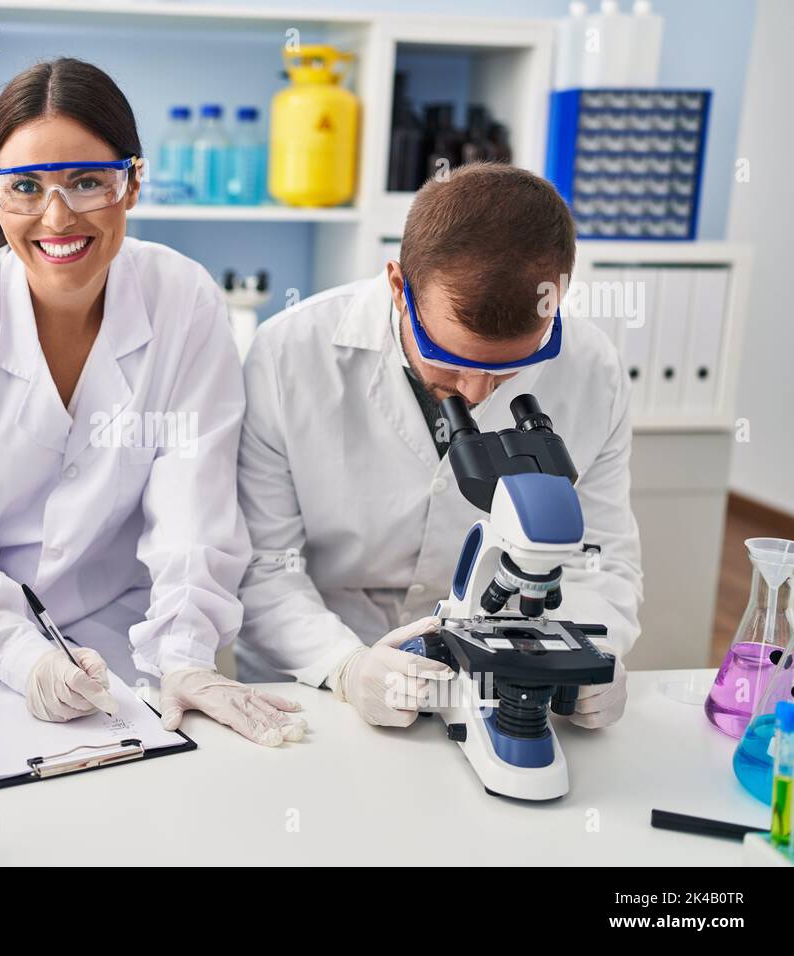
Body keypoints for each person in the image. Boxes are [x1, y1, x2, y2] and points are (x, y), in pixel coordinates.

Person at [0, 59, 305, 747]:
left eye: (88, 182)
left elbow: (196, 508)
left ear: (132, 183)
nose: (56, 216)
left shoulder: (183, 304)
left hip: (113, 628)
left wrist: (185, 653)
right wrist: (23, 657)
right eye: (26, 187)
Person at [236, 163, 641, 730]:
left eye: (510, 371)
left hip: (502, 683)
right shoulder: (287, 356)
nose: (475, 392)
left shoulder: (593, 371)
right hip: (316, 683)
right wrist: (346, 666)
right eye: (451, 360)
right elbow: (264, 564)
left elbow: (602, 559)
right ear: (400, 287)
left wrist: (591, 654)